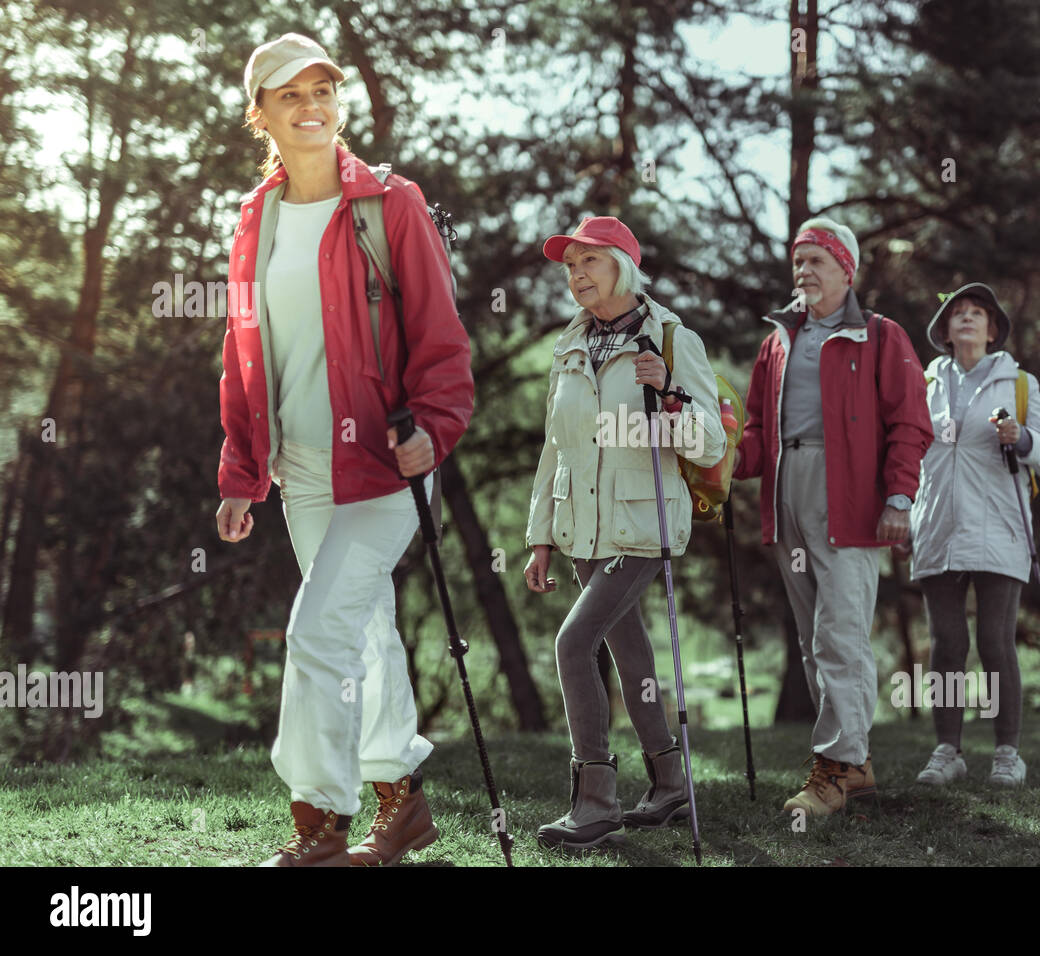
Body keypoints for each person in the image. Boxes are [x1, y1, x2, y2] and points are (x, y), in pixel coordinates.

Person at [215, 34, 473, 866]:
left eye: (323, 88)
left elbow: (441, 339)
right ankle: (404, 806)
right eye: (289, 95)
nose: (311, 105)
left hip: (385, 468)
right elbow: (244, 351)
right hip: (303, 469)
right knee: (364, 635)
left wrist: (433, 432)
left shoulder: (389, 205)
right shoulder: (255, 220)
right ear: (260, 115)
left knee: (318, 632)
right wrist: (241, 472)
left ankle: (317, 823)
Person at [523, 216, 726, 850]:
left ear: (622, 265)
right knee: (629, 654)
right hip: (582, 525)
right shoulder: (570, 344)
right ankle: (670, 784)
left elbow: (709, 439)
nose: (576, 275)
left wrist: (668, 393)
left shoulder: (670, 337)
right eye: (569, 267)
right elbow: (556, 446)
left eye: (589, 262)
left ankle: (596, 799)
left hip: (644, 524)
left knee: (573, 644)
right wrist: (541, 535)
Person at [733, 217, 934, 816]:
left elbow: (910, 423)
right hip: (786, 486)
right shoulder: (776, 343)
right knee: (809, 637)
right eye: (798, 261)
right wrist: (717, 461)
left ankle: (840, 766)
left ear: (846, 269)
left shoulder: (880, 335)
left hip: (850, 497)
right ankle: (851, 763)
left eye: (816, 260)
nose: (804, 272)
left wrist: (900, 499)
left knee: (840, 633)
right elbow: (754, 434)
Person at [896, 282, 1040, 787]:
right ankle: (947, 751)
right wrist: (902, 509)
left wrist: (1024, 437)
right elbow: (908, 451)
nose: (967, 319)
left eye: (978, 313)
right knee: (947, 644)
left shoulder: (1018, 384)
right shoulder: (922, 384)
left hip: (1000, 528)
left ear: (992, 330)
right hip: (937, 528)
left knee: (996, 642)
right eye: (958, 313)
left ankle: (1007, 754)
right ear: (945, 330)